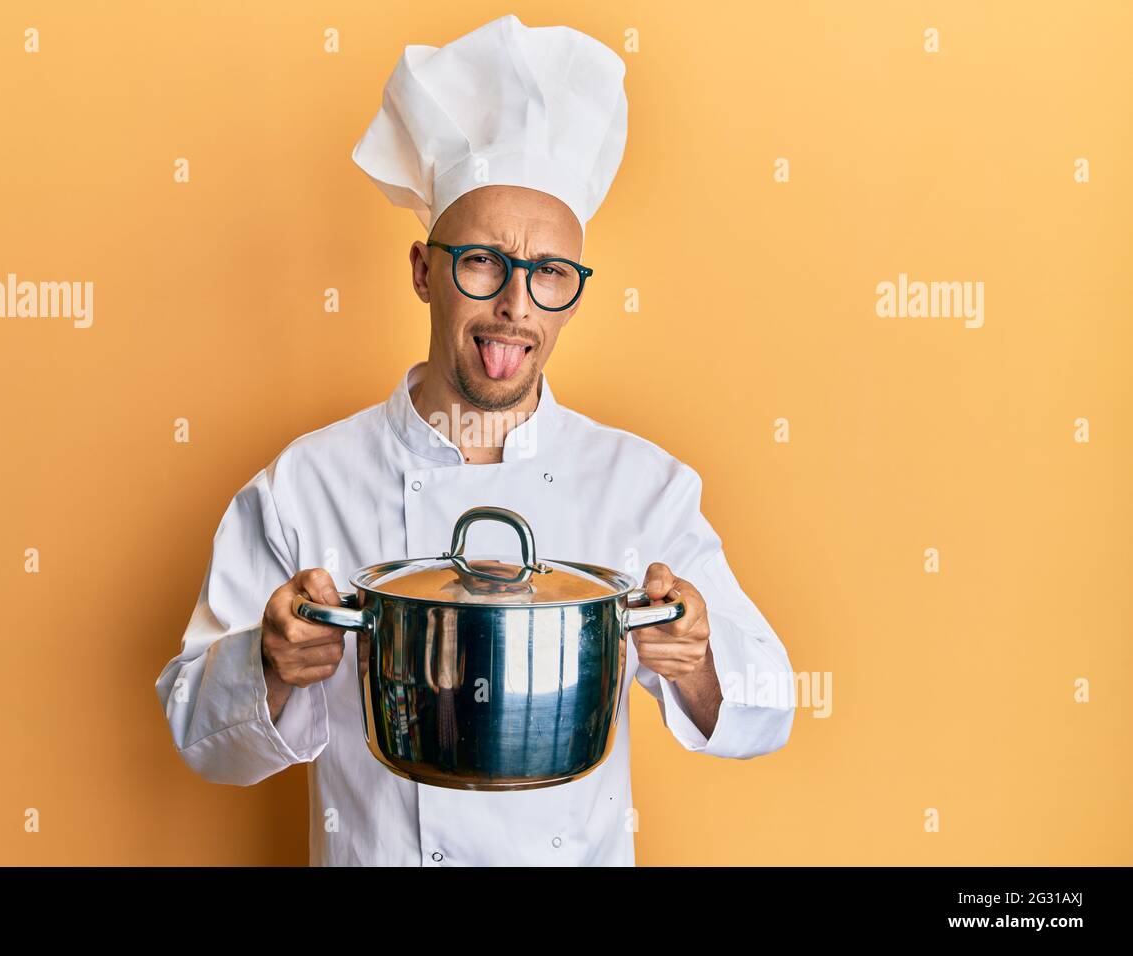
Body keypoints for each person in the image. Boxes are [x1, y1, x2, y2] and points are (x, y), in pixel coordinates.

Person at [155, 13, 794, 866]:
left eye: (551, 275)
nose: (517, 307)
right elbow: (198, 736)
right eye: (484, 262)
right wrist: (267, 662)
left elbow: (769, 709)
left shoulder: (645, 488)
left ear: (574, 291)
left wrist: (697, 659)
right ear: (425, 270)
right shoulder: (304, 484)